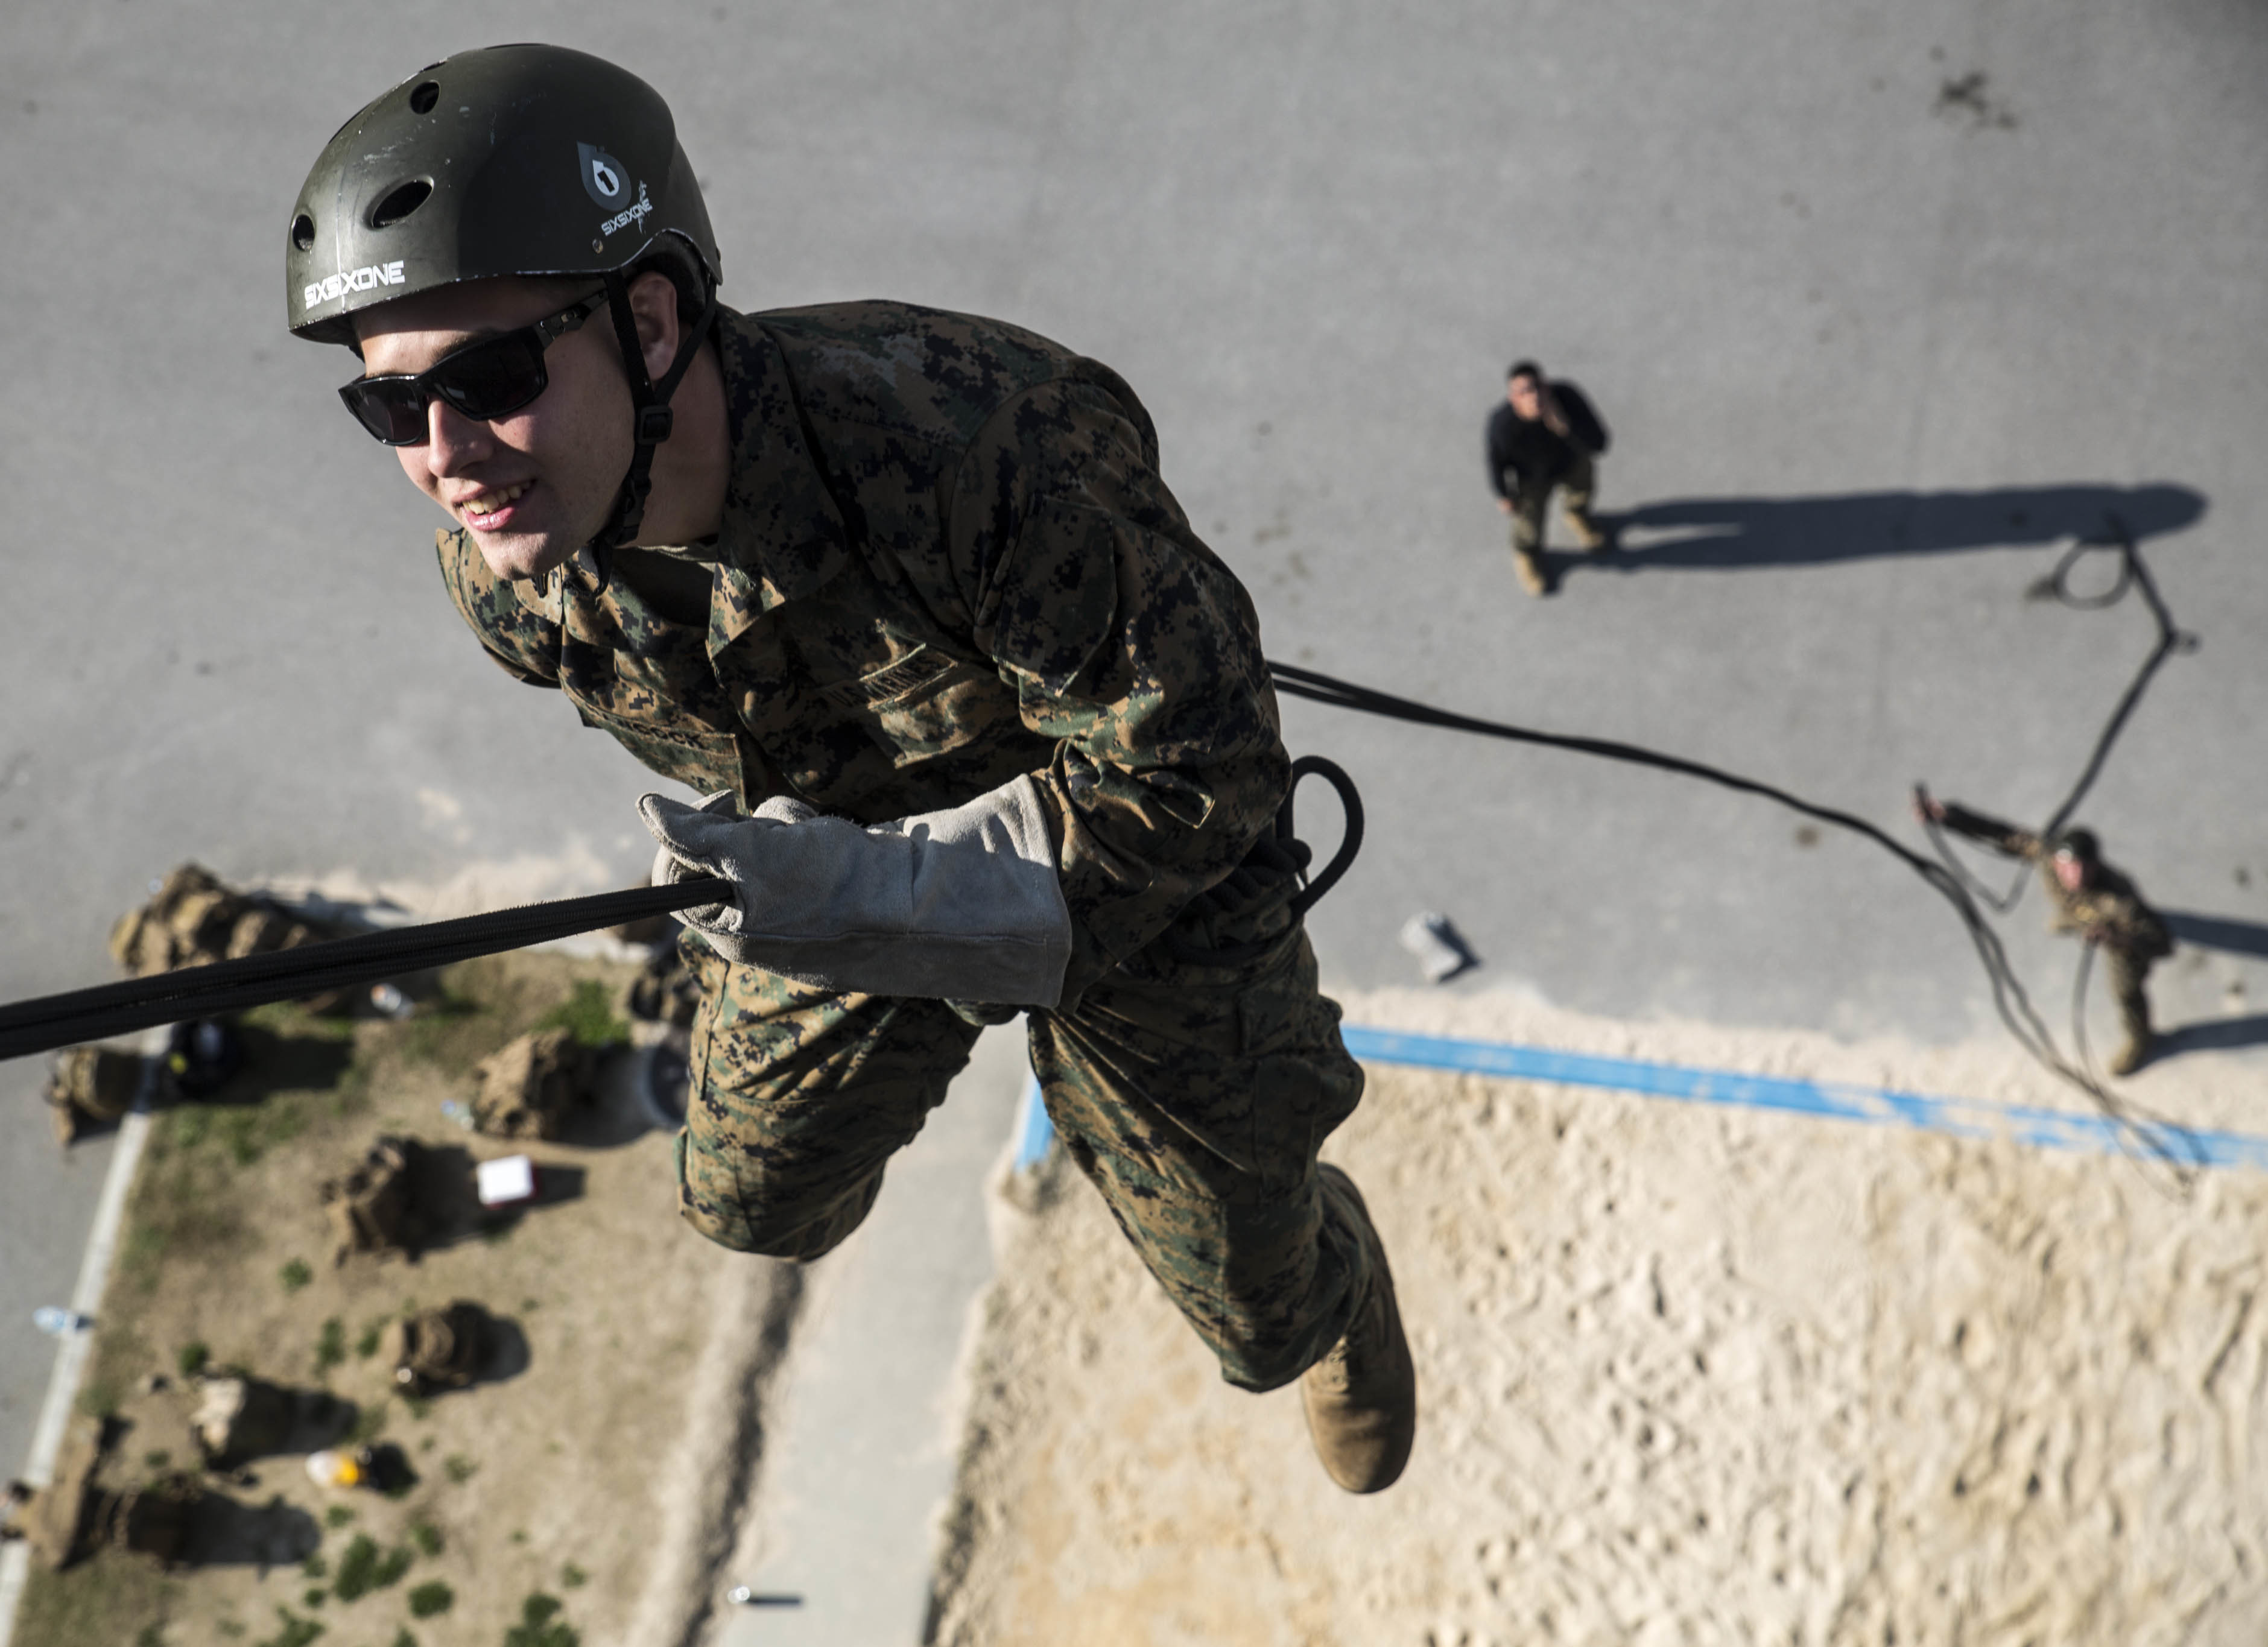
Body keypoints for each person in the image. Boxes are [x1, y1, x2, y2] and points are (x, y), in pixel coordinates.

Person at [285, 45, 1414, 1493]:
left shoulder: (977, 446)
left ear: (648, 318)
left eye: (490, 378)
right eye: (389, 407)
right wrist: (832, 899)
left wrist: (892, 897)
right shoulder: (519, 578)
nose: (445, 454)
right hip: (835, 881)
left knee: (1257, 1318)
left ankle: (1336, 1281)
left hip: (1136, 867)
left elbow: (1199, 775)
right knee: (751, 1197)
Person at [1915, 791, 2175, 1075]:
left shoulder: (2120, 901)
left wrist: (2116, 938)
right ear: (2058, 862)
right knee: (2056, 924)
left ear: (2096, 866)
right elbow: (2005, 835)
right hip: (2076, 917)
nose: (2074, 876)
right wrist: (1950, 817)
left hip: (2117, 936)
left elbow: (2162, 944)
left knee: (2125, 990)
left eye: (2083, 868)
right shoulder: (2046, 856)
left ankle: (2140, 1038)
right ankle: (2074, 924)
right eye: (2068, 867)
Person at [1486, 360, 1609, 595]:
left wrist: (1566, 428)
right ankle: (1526, 553)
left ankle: (1577, 515)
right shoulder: (1502, 425)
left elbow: (1600, 445)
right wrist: (1503, 494)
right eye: (1524, 392)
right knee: (1528, 522)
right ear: (1514, 399)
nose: (1534, 397)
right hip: (1532, 480)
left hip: (1572, 463)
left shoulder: (1568, 397)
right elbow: (1495, 462)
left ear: (1547, 387)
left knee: (1581, 492)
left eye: (1537, 388)